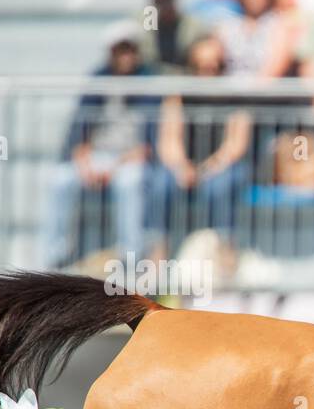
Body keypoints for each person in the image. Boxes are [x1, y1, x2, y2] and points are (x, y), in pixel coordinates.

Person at [38, 25, 160, 269]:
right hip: (97, 157)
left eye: (129, 50)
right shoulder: (97, 80)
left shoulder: (148, 83)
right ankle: (55, 256)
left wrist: (114, 167)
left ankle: (130, 256)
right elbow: (77, 133)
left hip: (129, 161)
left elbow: (149, 145)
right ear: (111, 52)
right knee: (60, 179)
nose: (125, 56)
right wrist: (85, 165)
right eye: (120, 50)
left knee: (130, 182)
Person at [147, 36, 254, 257]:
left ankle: (224, 251)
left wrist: (209, 167)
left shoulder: (236, 96)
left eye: (215, 66)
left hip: (223, 166)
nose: (208, 72)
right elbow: (168, 140)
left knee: (220, 185)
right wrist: (182, 167)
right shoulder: (178, 96)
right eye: (201, 67)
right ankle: (158, 252)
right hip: (187, 165)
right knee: (160, 182)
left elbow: (236, 144)